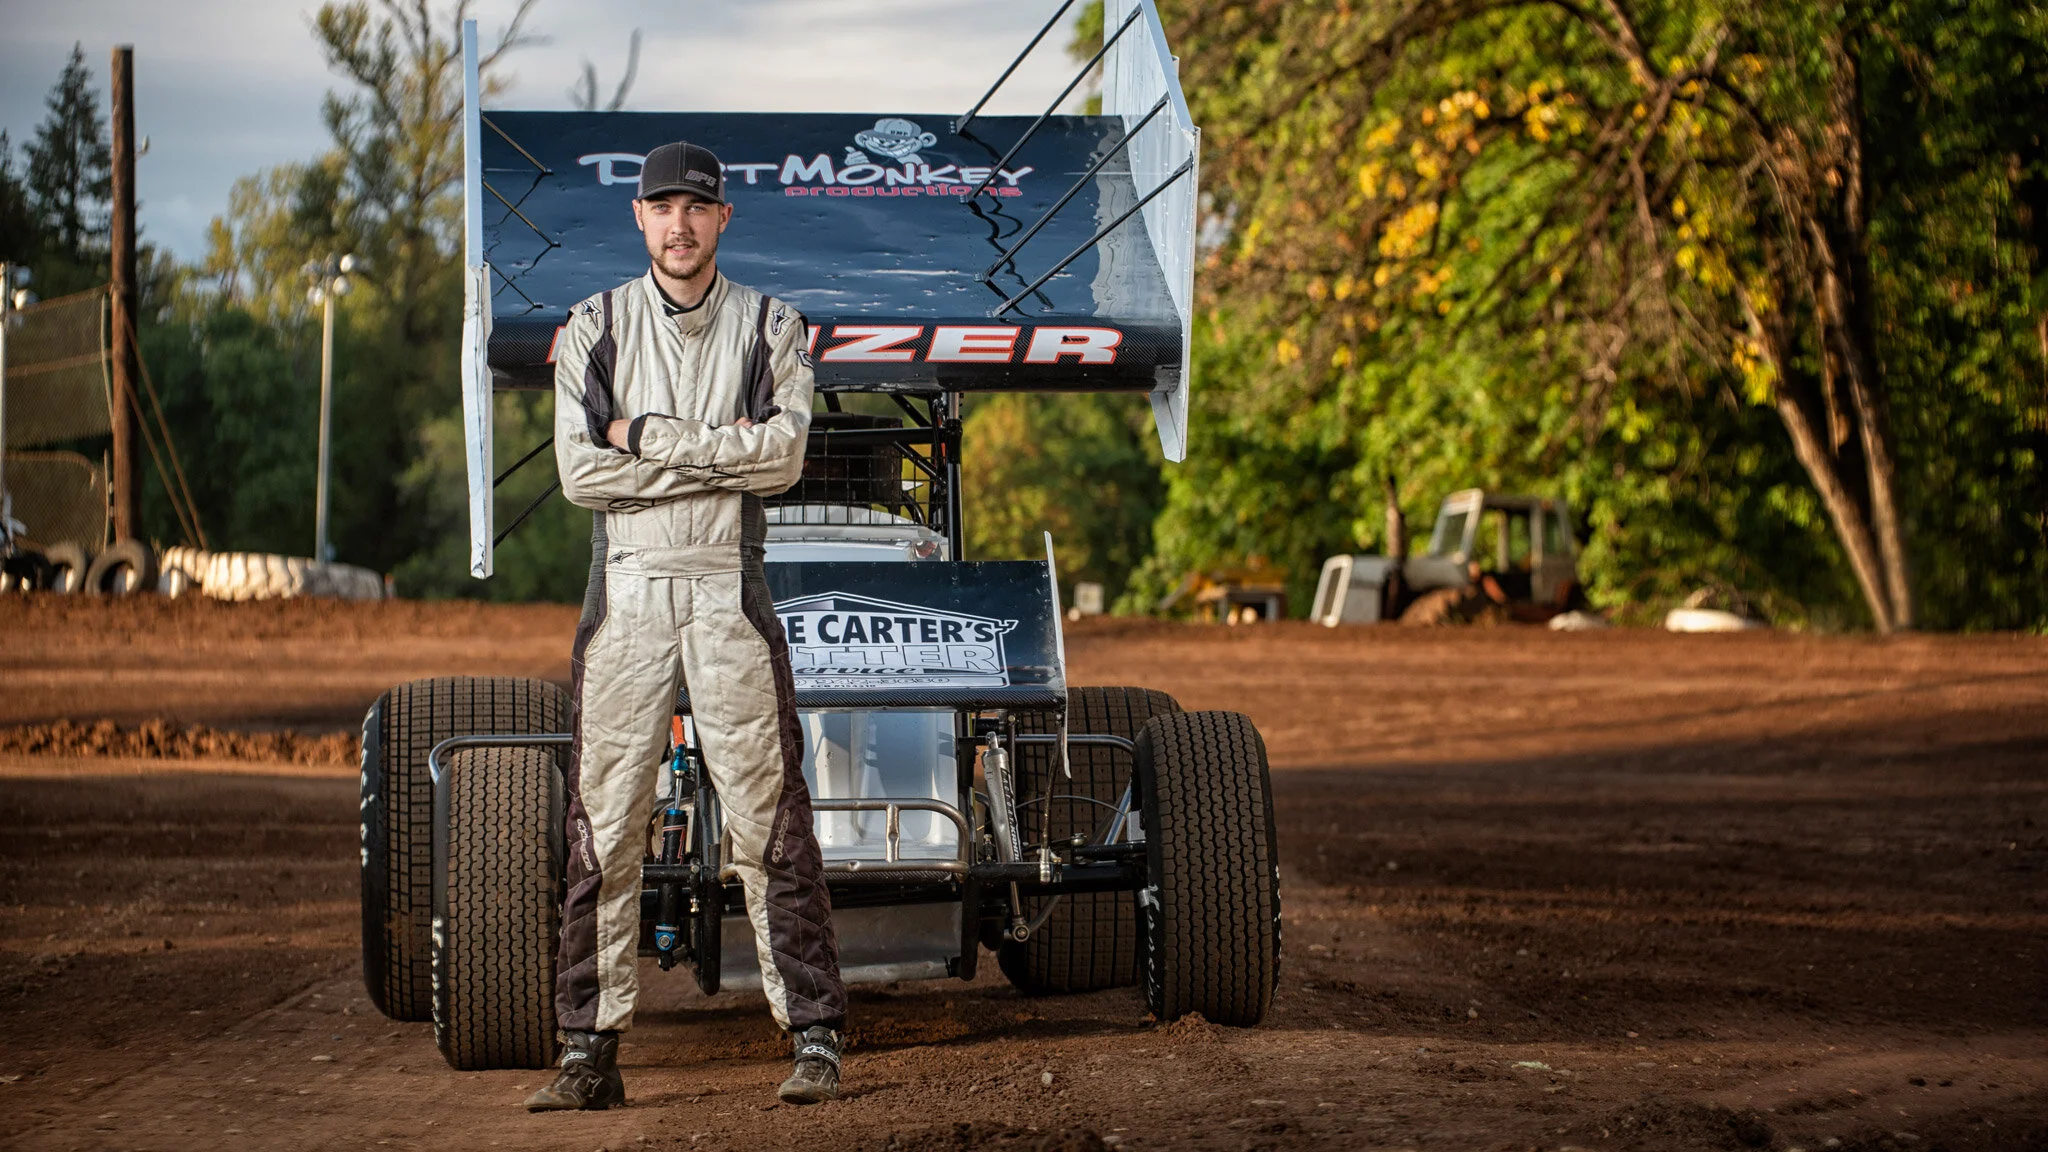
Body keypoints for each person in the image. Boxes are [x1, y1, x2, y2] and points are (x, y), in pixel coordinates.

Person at [526, 141, 846, 1112]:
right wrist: (717, 454)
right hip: (624, 590)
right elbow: (580, 474)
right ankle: (587, 1051)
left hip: (724, 587)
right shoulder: (594, 329)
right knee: (603, 824)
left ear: (721, 219)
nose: (679, 224)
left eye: (696, 208)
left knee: (767, 819)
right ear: (638, 217)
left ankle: (816, 1038)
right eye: (662, 207)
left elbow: (783, 457)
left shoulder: (768, 328)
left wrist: (649, 438)